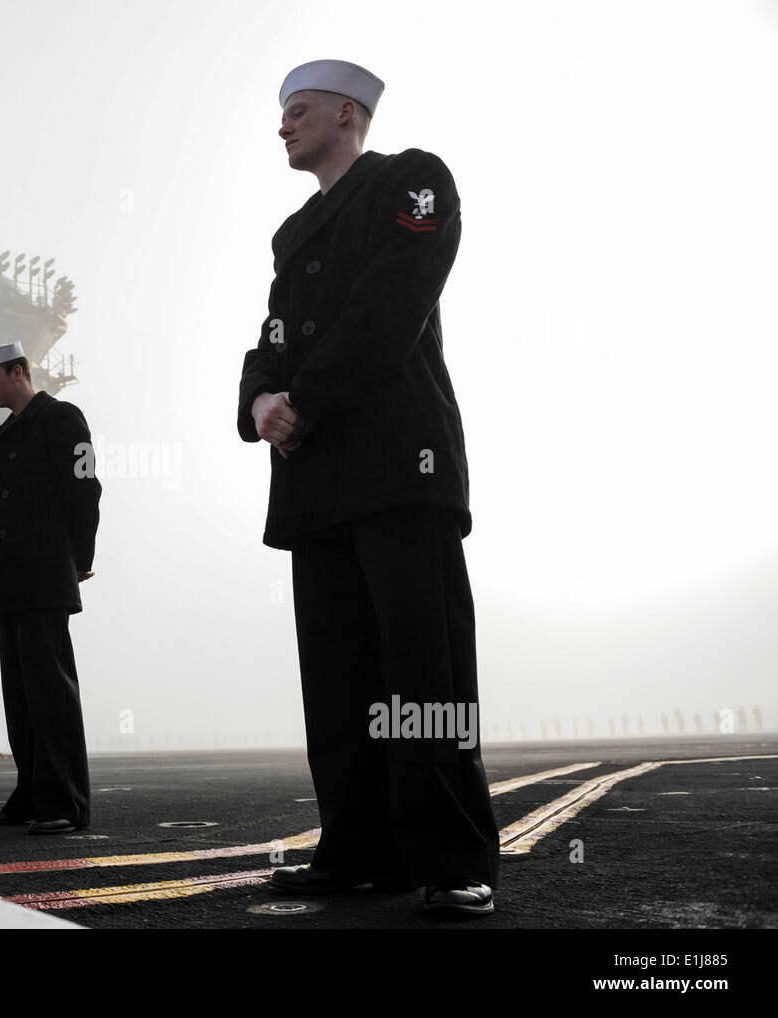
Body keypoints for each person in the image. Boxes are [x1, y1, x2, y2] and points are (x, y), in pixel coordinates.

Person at [237, 60, 500, 915]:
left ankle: (454, 856)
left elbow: (389, 309)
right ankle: (357, 850)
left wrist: (300, 401)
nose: (283, 125)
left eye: (299, 111)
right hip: (316, 485)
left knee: (423, 680)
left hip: (398, 472)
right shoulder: (291, 234)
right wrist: (259, 398)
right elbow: (271, 334)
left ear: (349, 114)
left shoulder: (413, 182)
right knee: (340, 683)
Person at [0, 342, 101, 834]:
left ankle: (66, 802)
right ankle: (30, 793)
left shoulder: (64, 418)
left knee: (50, 691)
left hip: (46, 572)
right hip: (9, 580)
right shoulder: (4, 434)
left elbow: (85, 486)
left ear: (19, 371)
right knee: (20, 693)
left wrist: (79, 557)